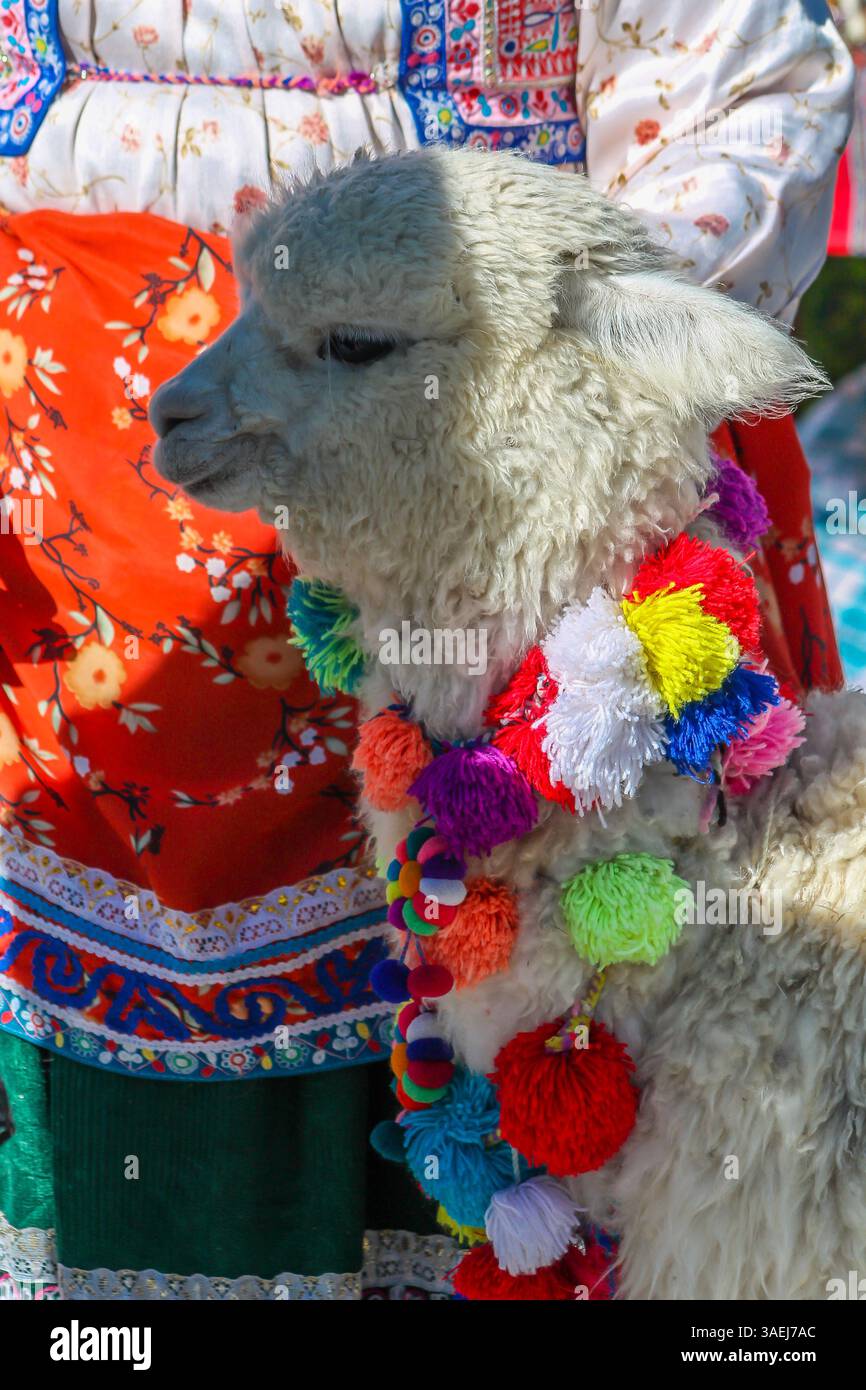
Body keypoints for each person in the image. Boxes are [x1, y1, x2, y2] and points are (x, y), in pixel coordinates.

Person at [0, 1, 853, 1301]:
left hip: (541, 570)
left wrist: (572, 349)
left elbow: (742, 81)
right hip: (84, 592)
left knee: (679, 1132)